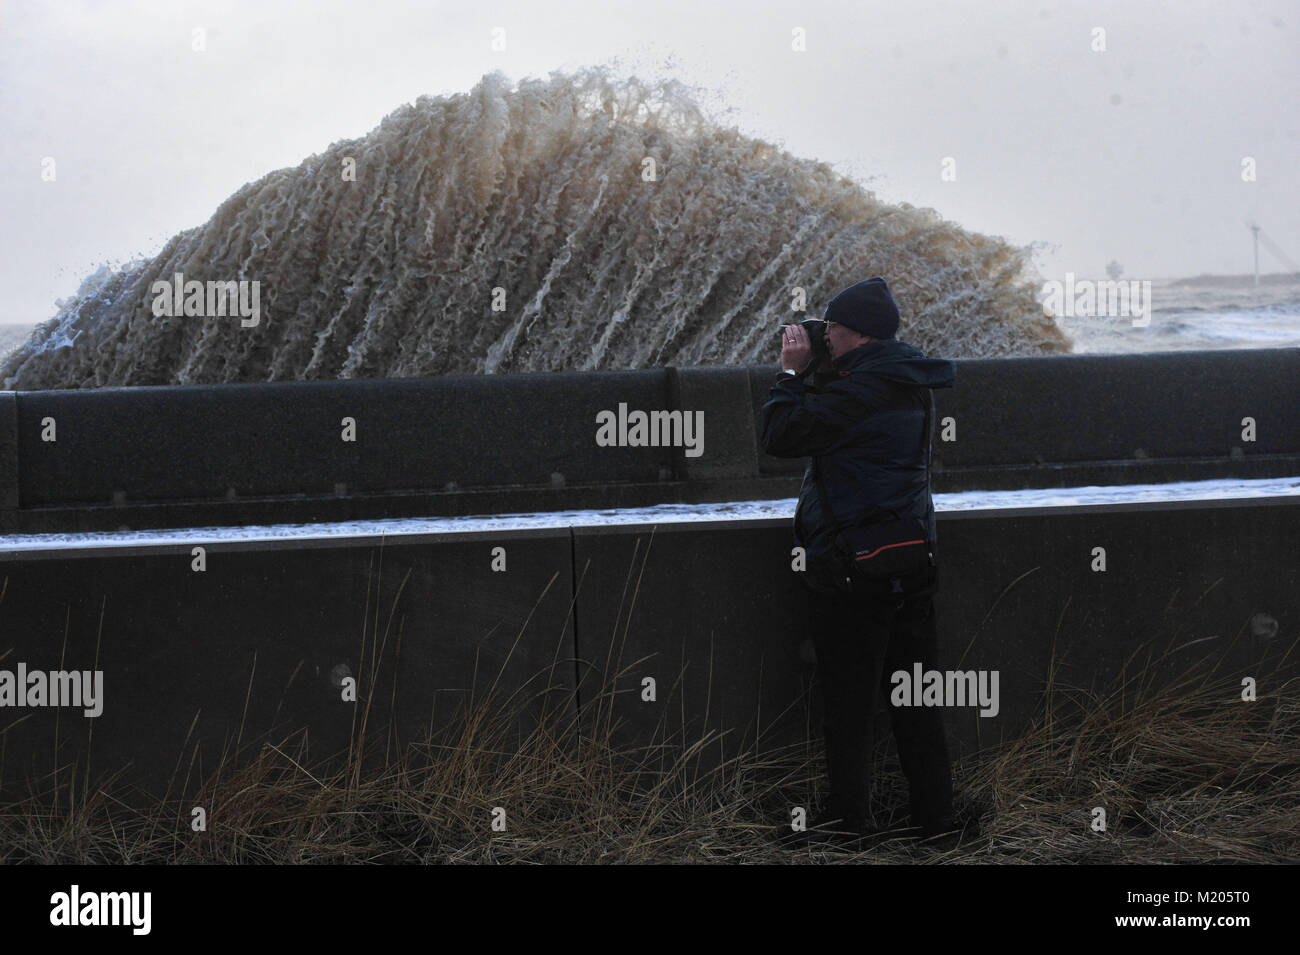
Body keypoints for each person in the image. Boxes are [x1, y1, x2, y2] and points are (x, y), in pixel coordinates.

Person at [760, 276, 959, 848]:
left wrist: (791, 373)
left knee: (848, 707)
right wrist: (823, 368)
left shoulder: (860, 392)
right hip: (909, 560)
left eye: (834, 331)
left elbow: (782, 433)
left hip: (852, 569)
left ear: (857, 335)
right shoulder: (905, 380)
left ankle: (847, 825)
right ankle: (937, 823)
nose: (827, 339)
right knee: (916, 703)